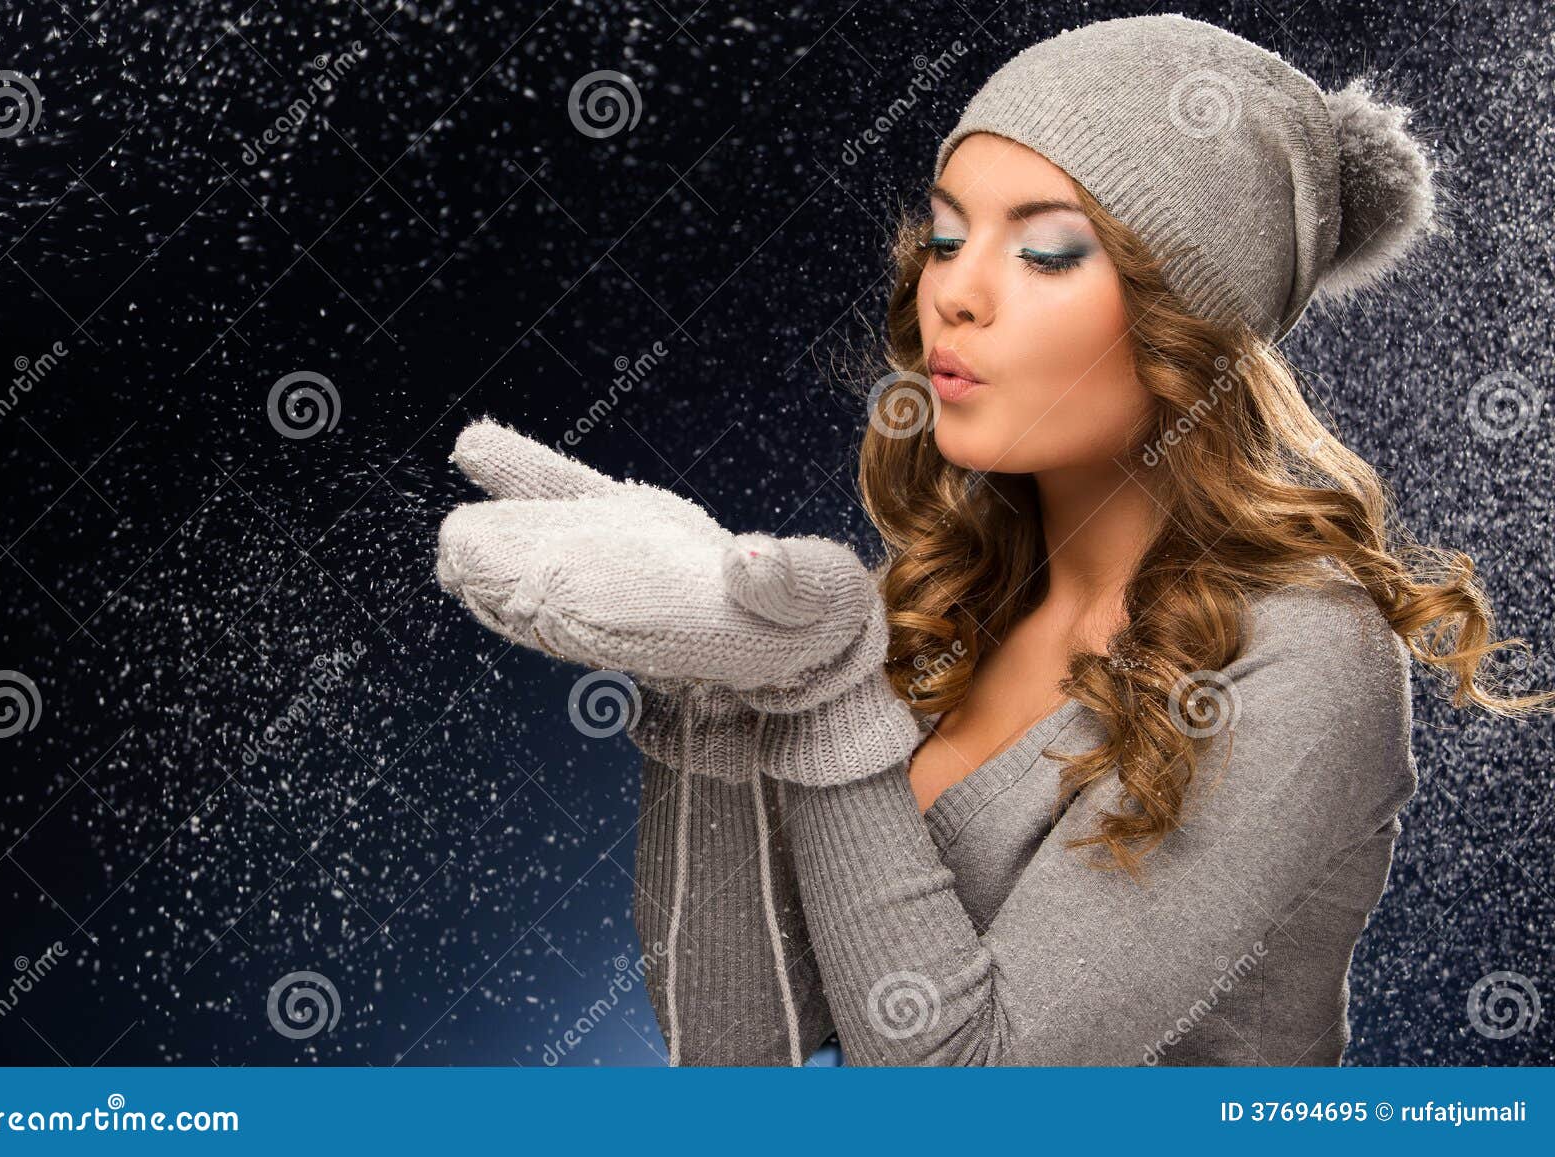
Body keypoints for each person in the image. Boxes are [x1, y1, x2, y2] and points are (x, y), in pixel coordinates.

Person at [435, 13, 1554, 1065]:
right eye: (947, 236)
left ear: (1193, 325)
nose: (951, 295)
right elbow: (740, 1045)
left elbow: (976, 1087)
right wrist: (710, 669)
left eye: (1049, 251)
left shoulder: (1302, 658)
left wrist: (822, 693)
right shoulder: (958, 599)